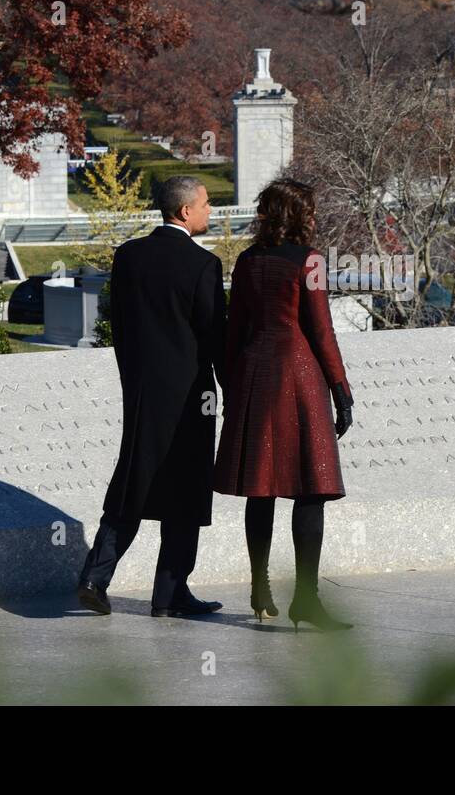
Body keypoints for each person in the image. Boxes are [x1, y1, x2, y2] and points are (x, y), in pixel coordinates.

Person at [76, 176, 227, 618]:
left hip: (141, 392)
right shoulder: (204, 266)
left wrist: (133, 379)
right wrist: (233, 391)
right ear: (184, 212)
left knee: (132, 484)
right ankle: (169, 594)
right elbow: (214, 338)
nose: (210, 211)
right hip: (192, 398)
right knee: (188, 487)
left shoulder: (128, 256)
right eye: (205, 204)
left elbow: (119, 325)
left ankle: (94, 577)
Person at [213, 178, 355, 631]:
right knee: (311, 488)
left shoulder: (248, 261)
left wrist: (231, 382)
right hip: (298, 376)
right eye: (309, 210)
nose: (314, 217)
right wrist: (341, 388)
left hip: (253, 374)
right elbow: (321, 330)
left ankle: (259, 587)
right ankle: (306, 599)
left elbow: (234, 328)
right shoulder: (311, 261)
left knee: (262, 486)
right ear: (298, 215)